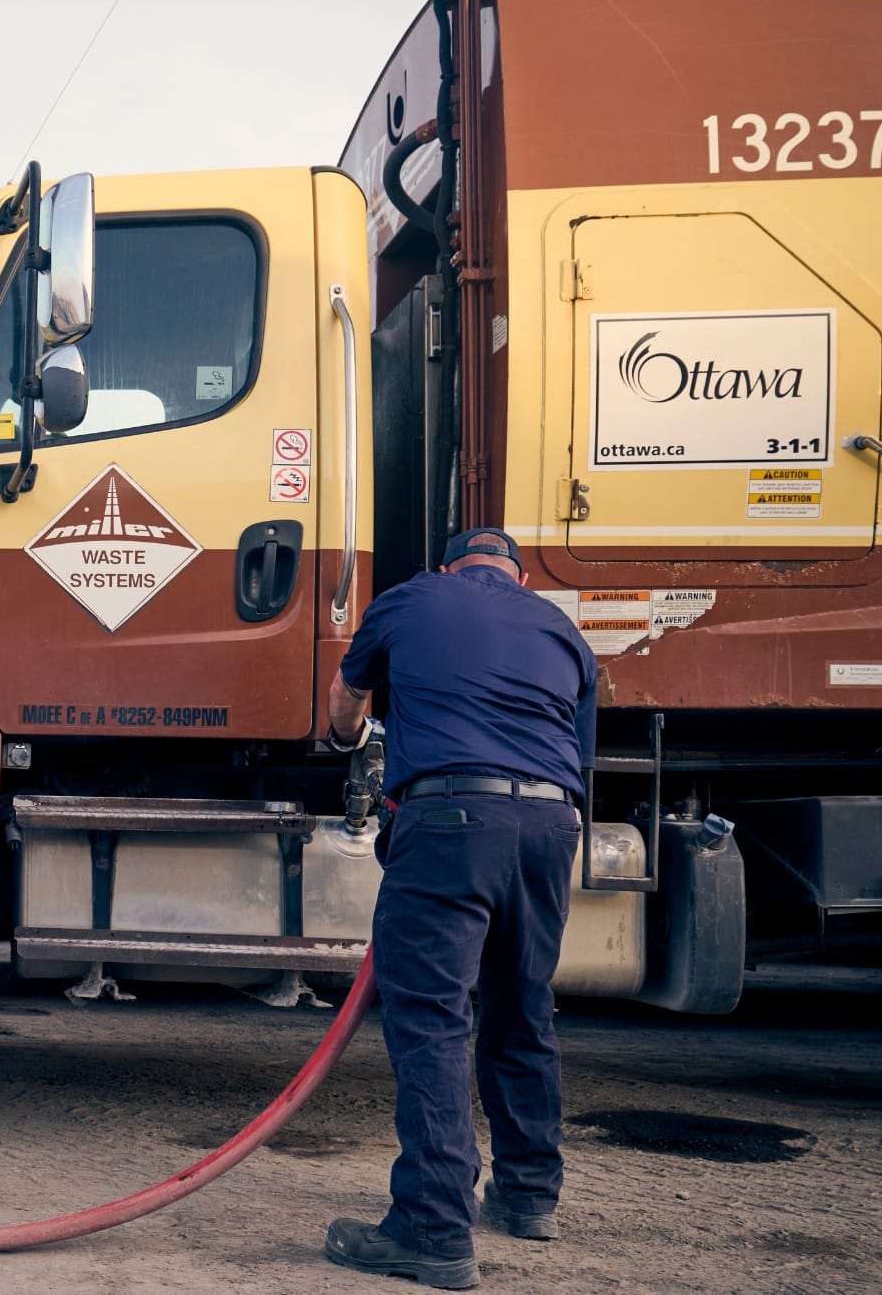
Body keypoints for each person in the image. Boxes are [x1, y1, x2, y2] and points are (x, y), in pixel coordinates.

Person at [321, 527, 598, 1290]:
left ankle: (433, 1227)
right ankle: (529, 1194)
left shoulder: (411, 598)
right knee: (523, 1005)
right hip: (551, 825)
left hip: (450, 822)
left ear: (447, 568)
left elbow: (346, 699)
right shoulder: (562, 631)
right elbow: (578, 756)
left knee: (434, 1017)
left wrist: (350, 738)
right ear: (518, 577)